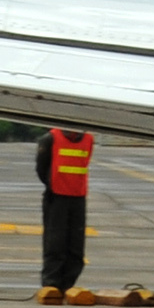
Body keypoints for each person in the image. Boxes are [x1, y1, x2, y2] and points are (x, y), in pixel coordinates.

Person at [36, 122, 94, 298]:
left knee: (76, 244)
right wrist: (53, 184)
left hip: (78, 196)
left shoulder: (89, 140)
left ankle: (69, 283)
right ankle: (51, 284)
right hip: (57, 196)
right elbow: (41, 168)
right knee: (55, 242)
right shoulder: (50, 139)